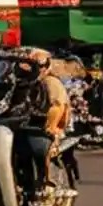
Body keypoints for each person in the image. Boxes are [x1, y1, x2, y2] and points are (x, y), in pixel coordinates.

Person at [29, 49, 71, 197]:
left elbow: (58, 106)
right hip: (28, 125)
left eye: (37, 66)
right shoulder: (27, 83)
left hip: (47, 127)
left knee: (40, 147)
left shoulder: (51, 82)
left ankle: (48, 184)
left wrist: (51, 126)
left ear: (45, 67)